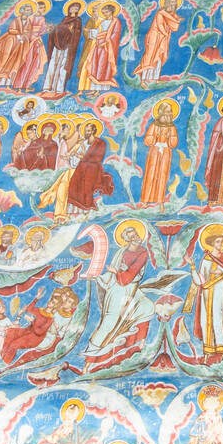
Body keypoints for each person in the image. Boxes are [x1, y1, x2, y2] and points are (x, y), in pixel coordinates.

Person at [84, 221, 156, 371]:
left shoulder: (142, 252)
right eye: (132, 236)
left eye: (136, 234)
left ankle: (139, 344)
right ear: (127, 239)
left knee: (147, 307)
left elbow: (131, 274)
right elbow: (115, 275)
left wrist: (116, 272)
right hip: (118, 289)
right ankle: (90, 359)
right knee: (109, 322)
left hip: (130, 287)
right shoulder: (121, 252)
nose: (136, 237)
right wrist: (99, 277)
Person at [184, 227, 223, 365]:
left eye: (221, 242)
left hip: (220, 293)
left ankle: (221, 351)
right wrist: (192, 266)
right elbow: (199, 281)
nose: (220, 245)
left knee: (217, 319)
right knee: (205, 321)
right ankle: (207, 354)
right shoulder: (206, 259)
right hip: (206, 293)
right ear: (212, 243)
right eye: (217, 242)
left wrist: (221, 274)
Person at [135, 0, 183, 83]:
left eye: (175, 2)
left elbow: (174, 27)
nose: (174, 4)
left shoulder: (172, 14)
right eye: (172, 1)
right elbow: (160, 25)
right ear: (167, 2)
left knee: (160, 56)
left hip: (163, 38)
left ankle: (156, 79)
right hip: (154, 36)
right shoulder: (161, 13)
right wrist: (165, 33)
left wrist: (177, 20)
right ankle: (143, 80)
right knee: (150, 56)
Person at [139, 100, 178, 205]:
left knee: (162, 176)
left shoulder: (171, 127)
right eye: (168, 112)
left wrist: (169, 137)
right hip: (154, 152)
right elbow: (147, 140)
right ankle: (145, 201)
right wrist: (155, 137)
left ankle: (160, 202)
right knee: (150, 175)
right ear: (162, 112)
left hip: (165, 153)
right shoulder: (154, 125)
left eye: (170, 112)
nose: (170, 114)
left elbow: (173, 143)